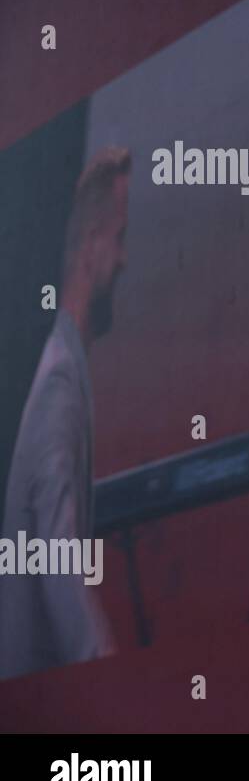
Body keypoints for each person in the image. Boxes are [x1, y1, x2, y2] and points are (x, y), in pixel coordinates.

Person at [0, 146, 129, 680]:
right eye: (119, 239)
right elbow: (58, 558)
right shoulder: (59, 382)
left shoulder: (63, 368)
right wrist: (107, 673)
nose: (123, 260)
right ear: (91, 246)